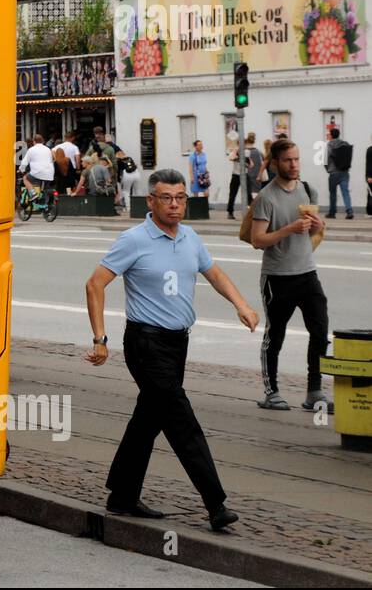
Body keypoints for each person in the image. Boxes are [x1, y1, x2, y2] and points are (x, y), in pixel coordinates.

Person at [84, 169, 257, 532]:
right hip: (146, 344)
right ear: (151, 201)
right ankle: (216, 504)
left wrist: (241, 305)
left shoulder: (191, 237)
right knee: (181, 420)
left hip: (178, 344)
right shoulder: (134, 239)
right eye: (167, 198)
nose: (175, 204)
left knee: (148, 419)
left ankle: (122, 496)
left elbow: (215, 274)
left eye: (181, 197)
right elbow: (95, 284)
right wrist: (100, 339)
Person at [250, 139, 330, 411]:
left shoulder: (308, 190)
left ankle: (314, 391)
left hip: (307, 273)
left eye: (297, 159)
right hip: (277, 278)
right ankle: (271, 391)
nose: (294, 165)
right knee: (276, 335)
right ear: (275, 164)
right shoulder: (266, 197)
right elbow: (258, 239)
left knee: (320, 332)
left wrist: (318, 226)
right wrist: (290, 228)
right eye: (288, 160)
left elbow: (314, 233)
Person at [226, 132, 262, 219]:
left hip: (245, 175)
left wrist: (246, 162)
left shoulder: (246, 152)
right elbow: (230, 158)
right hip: (236, 175)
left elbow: (251, 164)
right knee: (232, 194)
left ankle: (251, 211)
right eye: (240, 144)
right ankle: (230, 212)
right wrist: (236, 153)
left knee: (248, 193)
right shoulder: (235, 151)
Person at [324, 126, 354, 220]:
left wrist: (328, 169)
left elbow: (326, 160)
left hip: (333, 173)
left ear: (331, 136)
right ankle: (349, 211)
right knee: (345, 192)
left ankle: (332, 213)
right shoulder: (345, 144)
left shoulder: (329, 145)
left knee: (333, 193)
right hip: (345, 172)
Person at [19, 133, 55, 199]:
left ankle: (33, 194)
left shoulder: (31, 150)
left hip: (37, 173)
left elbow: (24, 163)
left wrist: (21, 170)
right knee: (43, 186)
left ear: (34, 141)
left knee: (25, 178)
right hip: (50, 174)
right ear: (43, 141)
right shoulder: (48, 149)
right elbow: (52, 160)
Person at [53, 132, 81, 196]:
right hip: (70, 173)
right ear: (73, 138)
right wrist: (78, 168)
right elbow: (77, 156)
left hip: (60, 180)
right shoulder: (74, 147)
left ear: (65, 138)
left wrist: (56, 158)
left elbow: (52, 150)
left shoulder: (58, 146)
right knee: (69, 188)